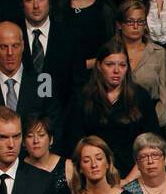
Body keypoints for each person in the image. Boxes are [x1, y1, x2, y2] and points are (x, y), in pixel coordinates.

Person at [63, 40, 159, 178]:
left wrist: (128, 181)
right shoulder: (82, 98)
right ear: (99, 66)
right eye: (110, 64)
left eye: (122, 65)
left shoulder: (140, 96)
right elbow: (75, 143)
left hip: (134, 173)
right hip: (93, 174)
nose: (116, 70)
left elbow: (151, 142)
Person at [114, 0, 166, 126]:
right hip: (116, 121)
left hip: (151, 120)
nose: (135, 26)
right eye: (130, 21)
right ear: (119, 25)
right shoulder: (110, 52)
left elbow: (165, 98)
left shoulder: (159, 53)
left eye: (140, 22)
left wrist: (150, 122)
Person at [56, 0, 113, 72]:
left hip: (98, 74)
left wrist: (93, 63)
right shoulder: (58, 10)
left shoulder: (103, 9)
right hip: (65, 74)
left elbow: (111, 45)